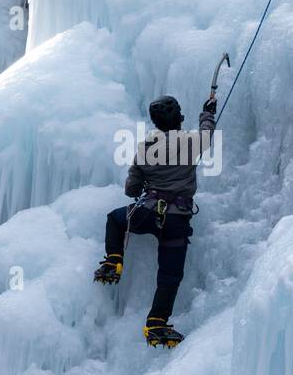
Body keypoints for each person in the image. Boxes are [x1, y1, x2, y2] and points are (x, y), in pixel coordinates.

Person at [93, 92, 217, 347]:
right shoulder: (190, 141)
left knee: (115, 220)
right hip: (176, 221)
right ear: (179, 117)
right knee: (170, 274)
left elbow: (131, 189)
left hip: (147, 214)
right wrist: (208, 112)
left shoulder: (144, 148)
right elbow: (207, 134)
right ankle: (156, 323)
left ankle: (114, 261)